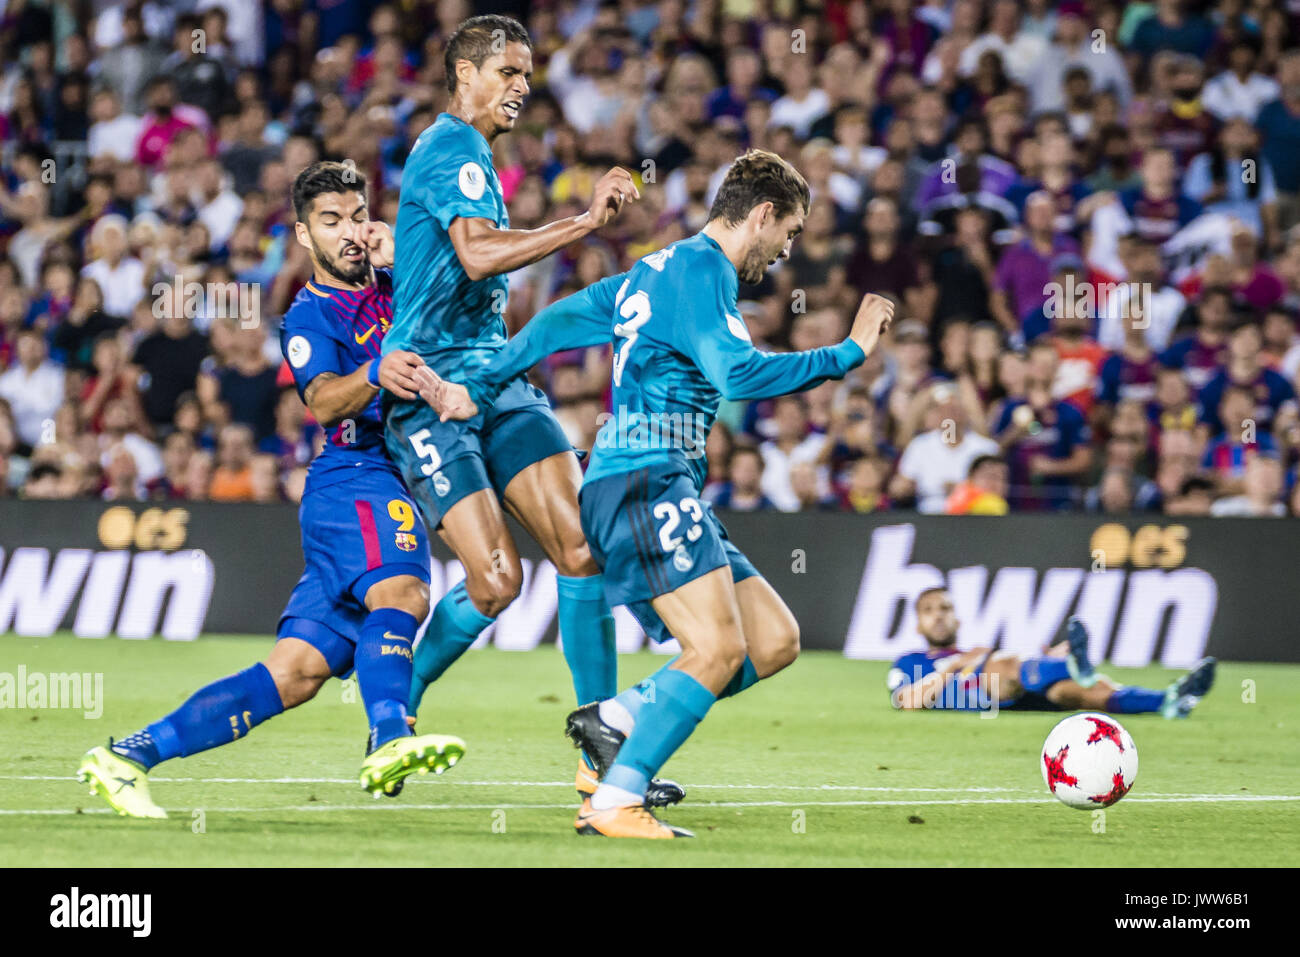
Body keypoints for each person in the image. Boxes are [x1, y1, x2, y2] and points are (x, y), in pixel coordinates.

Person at [425, 149, 895, 838]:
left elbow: (559, 322)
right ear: (761, 214)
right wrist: (846, 354)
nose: (785, 250)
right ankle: (617, 796)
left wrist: (480, 384)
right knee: (714, 650)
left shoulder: (657, 269)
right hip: (643, 476)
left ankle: (615, 718)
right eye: (786, 233)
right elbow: (735, 375)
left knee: (773, 639)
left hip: (652, 481)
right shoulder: (705, 269)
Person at [77, 162, 462, 818]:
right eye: (330, 221)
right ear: (305, 235)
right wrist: (375, 369)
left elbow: (472, 295)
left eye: (355, 216)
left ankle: (127, 755)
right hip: (357, 477)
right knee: (402, 591)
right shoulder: (310, 316)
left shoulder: (400, 285)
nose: (348, 233)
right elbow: (323, 401)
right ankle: (391, 733)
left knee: (295, 673)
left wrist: (419, 250)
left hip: (384, 478)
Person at [378, 15, 680, 809]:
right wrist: (583, 220)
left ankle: (601, 749)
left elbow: (457, 258)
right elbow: (477, 251)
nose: (520, 86)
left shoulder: (472, 155)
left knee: (582, 549)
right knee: (497, 578)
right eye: (507, 72)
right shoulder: (451, 146)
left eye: (527, 74)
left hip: (496, 377)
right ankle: (390, 707)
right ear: (465, 74)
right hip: (430, 390)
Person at [889, 588, 1216, 718]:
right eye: (929, 610)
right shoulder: (909, 662)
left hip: (1015, 697)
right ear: (917, 624)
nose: (939, 615)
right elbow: (909, 703)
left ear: (957, 617)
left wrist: (1047, 659)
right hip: (978, 693)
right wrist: (952, 666)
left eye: (945, 608)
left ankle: (1167, 701)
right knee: (1004, 664)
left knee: (1075, 692)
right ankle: (1069, 665)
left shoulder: (974, 651)